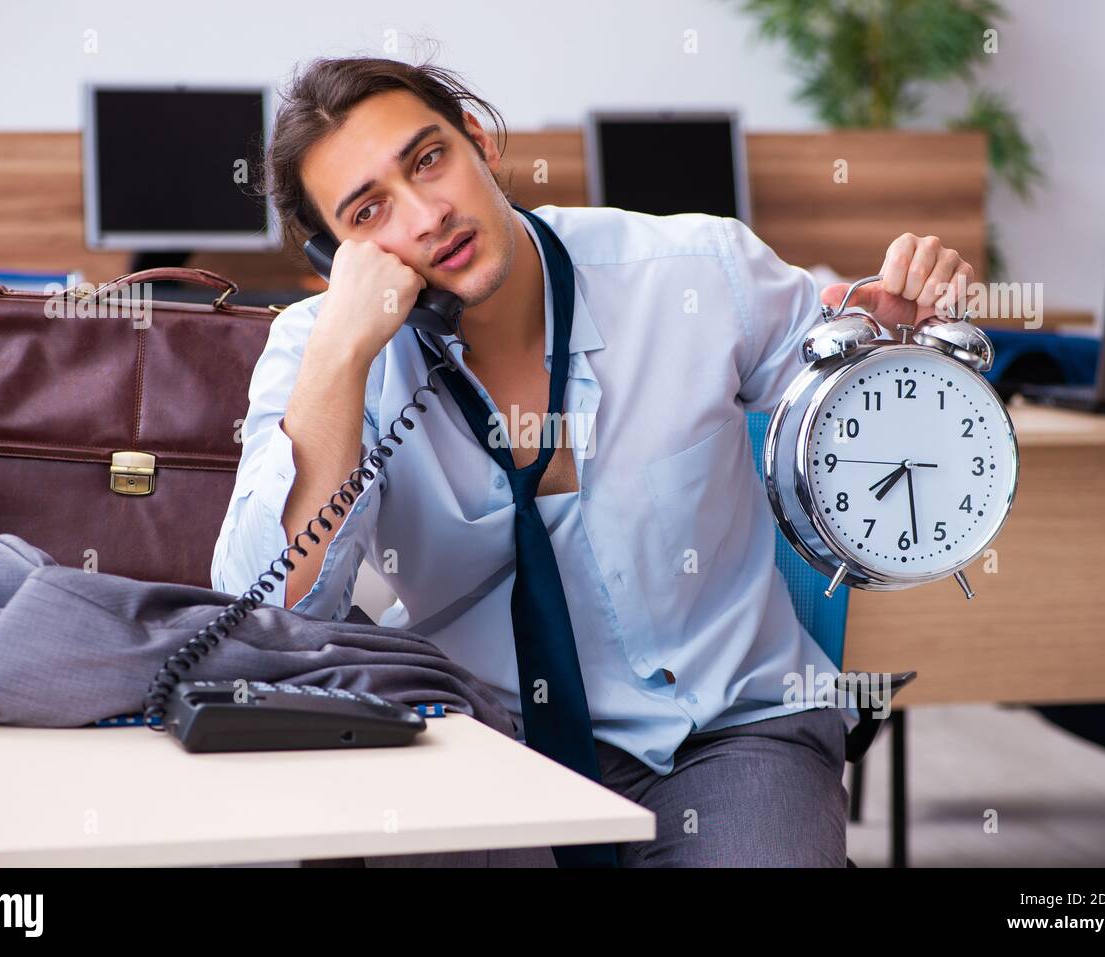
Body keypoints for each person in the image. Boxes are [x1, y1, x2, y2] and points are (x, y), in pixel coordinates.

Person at [212, 55, 975, 867]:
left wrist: (905, 347)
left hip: (731, 734)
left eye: (429, 158)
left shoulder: (696, 271)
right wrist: (340, 356)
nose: (427, 214)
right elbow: (264, 610)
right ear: (338, 258)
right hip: (489, 744)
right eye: (369, 211)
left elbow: (884, 444)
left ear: (480, 143)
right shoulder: (320, 352)